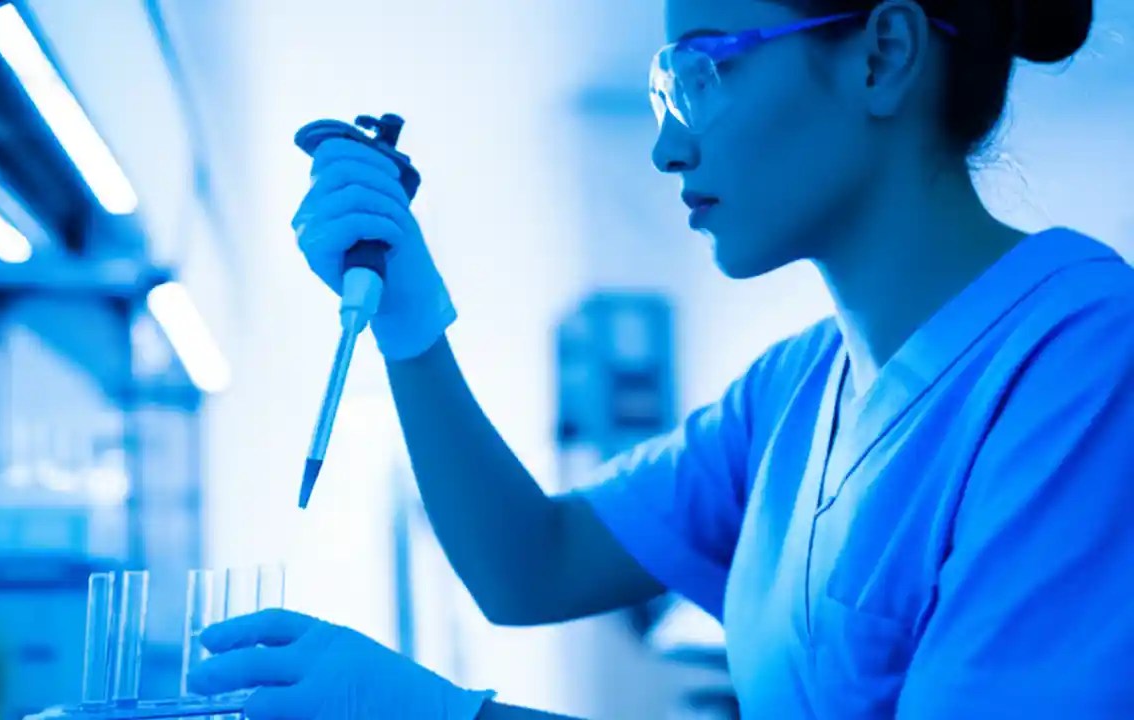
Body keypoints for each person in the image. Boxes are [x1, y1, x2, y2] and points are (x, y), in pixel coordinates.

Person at [188, 0, 1134, 717]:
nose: (664, 147)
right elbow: (532, 565)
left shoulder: (1085, 364)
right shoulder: (795, 390)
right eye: (660, 91)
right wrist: (411, 324)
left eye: (700, 76)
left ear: (882, 57)